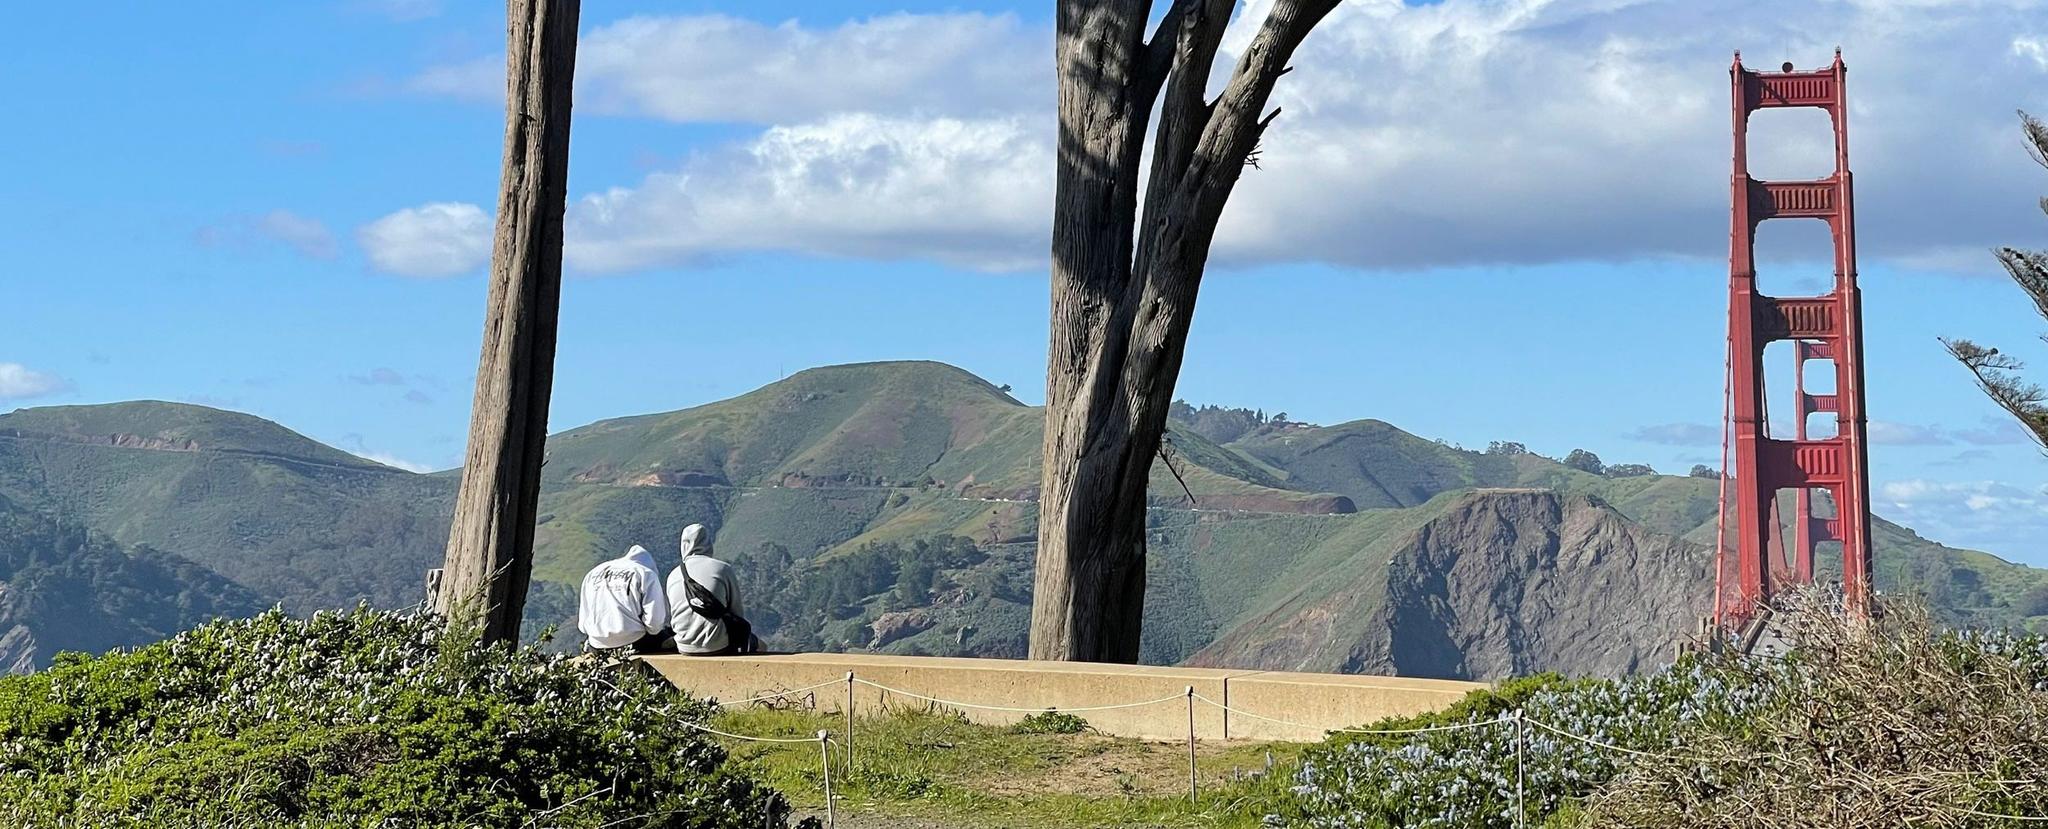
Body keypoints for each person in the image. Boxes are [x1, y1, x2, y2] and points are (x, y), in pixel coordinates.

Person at [667, 523, 754, 656]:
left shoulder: (673, 575)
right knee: (756, 642)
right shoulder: (723, 569)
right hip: (718, 645)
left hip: (684, 646)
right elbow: (737, 613)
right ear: (708, 543)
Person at [576, 544, 672, 654]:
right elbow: (654, 623)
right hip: (635, 642)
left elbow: (582, 624)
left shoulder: (593, 573)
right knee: (671, 634)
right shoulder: (646, 574)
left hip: (596, 645)